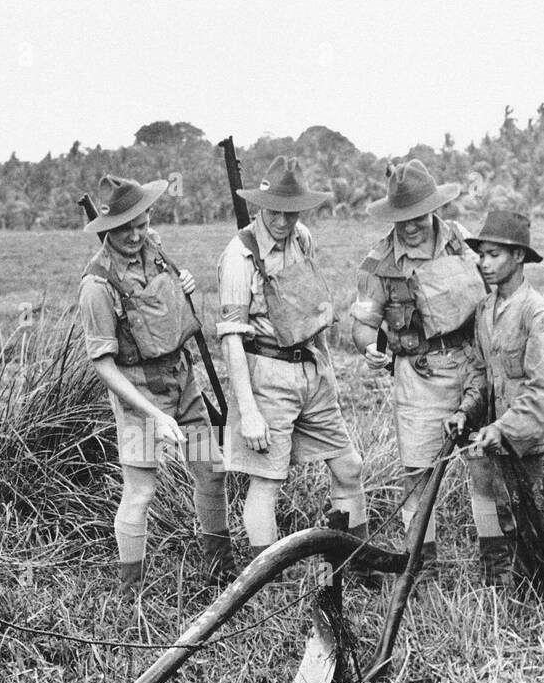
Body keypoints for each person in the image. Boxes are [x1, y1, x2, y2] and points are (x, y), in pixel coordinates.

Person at [78, 174, 232, 597]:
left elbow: (172, 317)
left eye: (140, 223)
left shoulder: (157, 250)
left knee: (211, 469)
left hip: (183, 383)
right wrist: (153, 414)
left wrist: (187, 290)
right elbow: (104, 367)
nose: (134, 235)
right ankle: (132, 593)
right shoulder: (96, 286)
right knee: (142, 491)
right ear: (105, 230)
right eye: (123, 228)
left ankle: (220, 572)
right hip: (140, 392)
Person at [215, 156, 370, 570]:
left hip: (311, 371)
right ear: (261, 204)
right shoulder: (239, 256)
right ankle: (267, 582)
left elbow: (310, 313)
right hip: (265, 375)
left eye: (292, 211)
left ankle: (352, 564)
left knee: (349, 466)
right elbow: (231, 337)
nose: (283, 220)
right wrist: (247, 411)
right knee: (267, 482)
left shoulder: (302, 239)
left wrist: (329, 375)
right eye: (276, 210)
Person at [350, 160, 494, 579]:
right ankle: (421, 568)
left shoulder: (462, 242)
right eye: (402, 218)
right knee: (418, 474)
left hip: (473, 363)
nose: (411, 226)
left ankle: (496, 565)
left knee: (484, 463)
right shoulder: (378, 262)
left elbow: (492, 290)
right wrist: (370, 349)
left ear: (434, 208)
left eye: (418, 215)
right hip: (419, 375)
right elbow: (362, 324)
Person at [449, 210, 544, 598]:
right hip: (505, 446)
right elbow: (483, 374)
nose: (484, 263)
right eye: (481, 254)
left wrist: (502, 429)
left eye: (493, 254)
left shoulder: (537, 313)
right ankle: (543, 605)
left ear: (518, 257)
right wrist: (467, 411)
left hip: (541, 445)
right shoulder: (484, 311)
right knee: (521, 526)